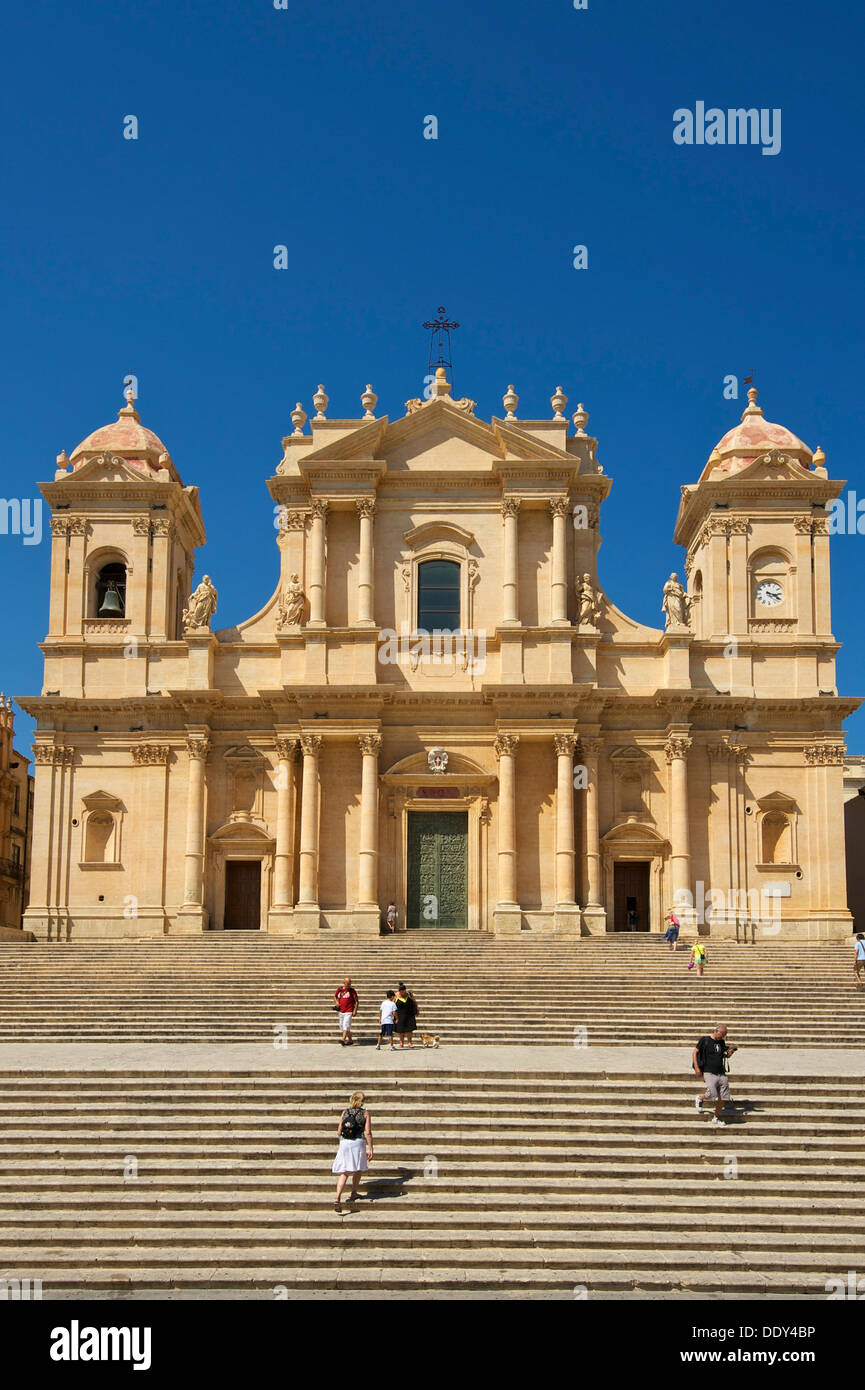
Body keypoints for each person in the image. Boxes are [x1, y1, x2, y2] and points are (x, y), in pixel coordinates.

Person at [332, 1089, 373, 1213]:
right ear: (362, 1101)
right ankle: (353, 1192)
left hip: (345, 1143)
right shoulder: (365, 1113)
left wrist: (344, 1140)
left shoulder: (345, 1112)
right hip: (358, 1143)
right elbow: (367, 1132)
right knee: (358, 1168)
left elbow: (339, 1131)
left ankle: (337, 1198)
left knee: (344, 1172)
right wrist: (371, 1147)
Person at [692, 1025, 738, 1125]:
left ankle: (716, 1118)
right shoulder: (705, 1040)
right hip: (709, 1071)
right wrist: (696, 1067)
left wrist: (730, 1053)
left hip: (721, 1072)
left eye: (724, 1036)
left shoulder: (721, 1042)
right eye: (722, 1035)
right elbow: (695, 1052)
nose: (722, 1037)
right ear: (716, 1031)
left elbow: (723, 1055)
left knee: (724, 1097)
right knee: (712, 1094)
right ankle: (700, 1098)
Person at [334, 977, 358, 1046]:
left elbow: (356, 1001)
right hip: (341, 1011)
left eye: (350, 983)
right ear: (344, 983)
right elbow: (335, 996)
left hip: (349, 1011)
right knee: (342, 1026)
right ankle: (350, 1040)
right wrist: (336, 1002)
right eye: (348, 983)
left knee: (346, 1025)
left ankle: (343, 1039)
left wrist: (355, 1010)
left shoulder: (352, 991)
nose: (349, 985)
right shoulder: (339, 989)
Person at [393, 981, 418, 1049]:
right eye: (401, 992)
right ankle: (401, 1043)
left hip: (409, 1014)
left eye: (404, 992)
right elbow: (392, 1005)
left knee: (409, 1029)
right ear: (399, 991)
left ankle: (410, 1042)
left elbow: (414, 1002)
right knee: (400, 1030)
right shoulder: (396, 996)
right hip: (399, 1014)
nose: (403, 993)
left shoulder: (409, 994)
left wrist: (417, 1010)